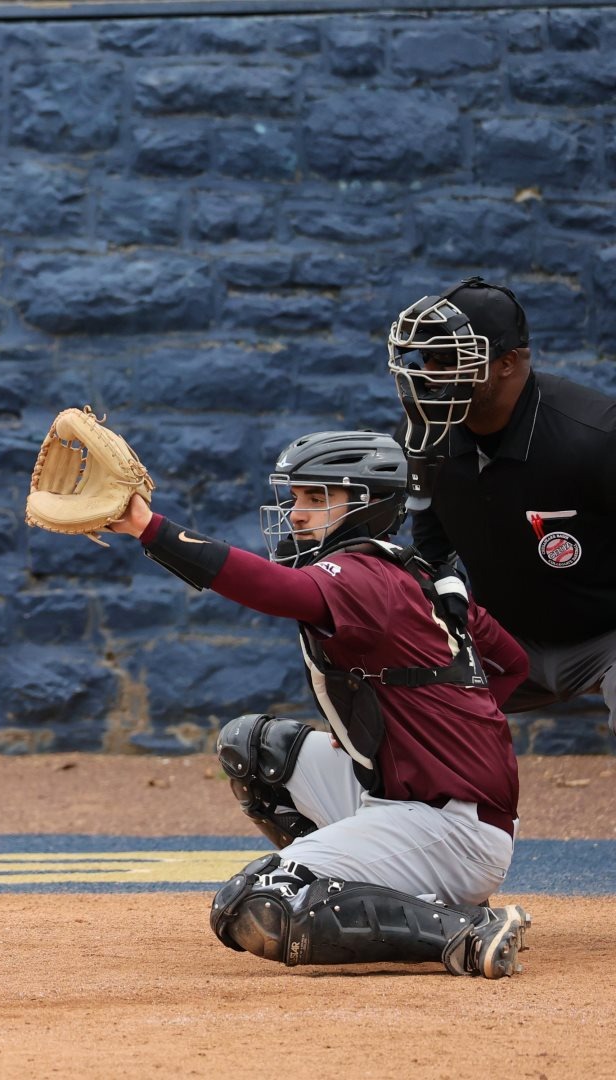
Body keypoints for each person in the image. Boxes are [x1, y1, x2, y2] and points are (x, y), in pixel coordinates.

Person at [92, 428, 531, 977]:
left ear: (368, 505)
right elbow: (513, 665)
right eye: (298, 496)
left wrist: (147, 528)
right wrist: (445, 739)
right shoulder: (410, 572)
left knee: (256, 905)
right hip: (420, 804)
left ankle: (464, 932)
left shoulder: (362, 575)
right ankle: (396, 894)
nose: (297, 512)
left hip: (448, 831)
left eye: (319, 497)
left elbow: (276, 591)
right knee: (253, 749)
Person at [388, 277, 616, 738]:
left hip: (608, 640)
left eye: (448, 360)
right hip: (505, 642)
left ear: (508, 363)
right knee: (388, 699)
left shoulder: (595, 435)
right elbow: (432, 556)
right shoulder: (423, 436)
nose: (429, 374)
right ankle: (433, 814)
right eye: (425, 358)